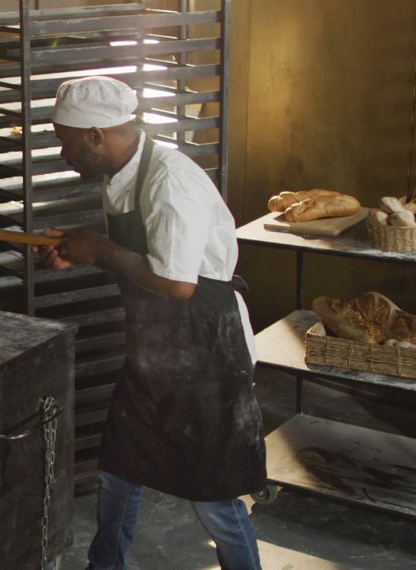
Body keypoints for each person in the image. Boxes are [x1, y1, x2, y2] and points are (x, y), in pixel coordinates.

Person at [36, 76, 267, 570]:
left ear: (96, 135)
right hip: (157, 351)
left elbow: (179, 283)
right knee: (121, 469)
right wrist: (85, 252)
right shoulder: (120, 173)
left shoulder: (168, 178)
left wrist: (99, 249)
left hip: (208, 353)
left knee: (214, 496)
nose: (63, 151)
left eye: (66, 139)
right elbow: (145, 251)